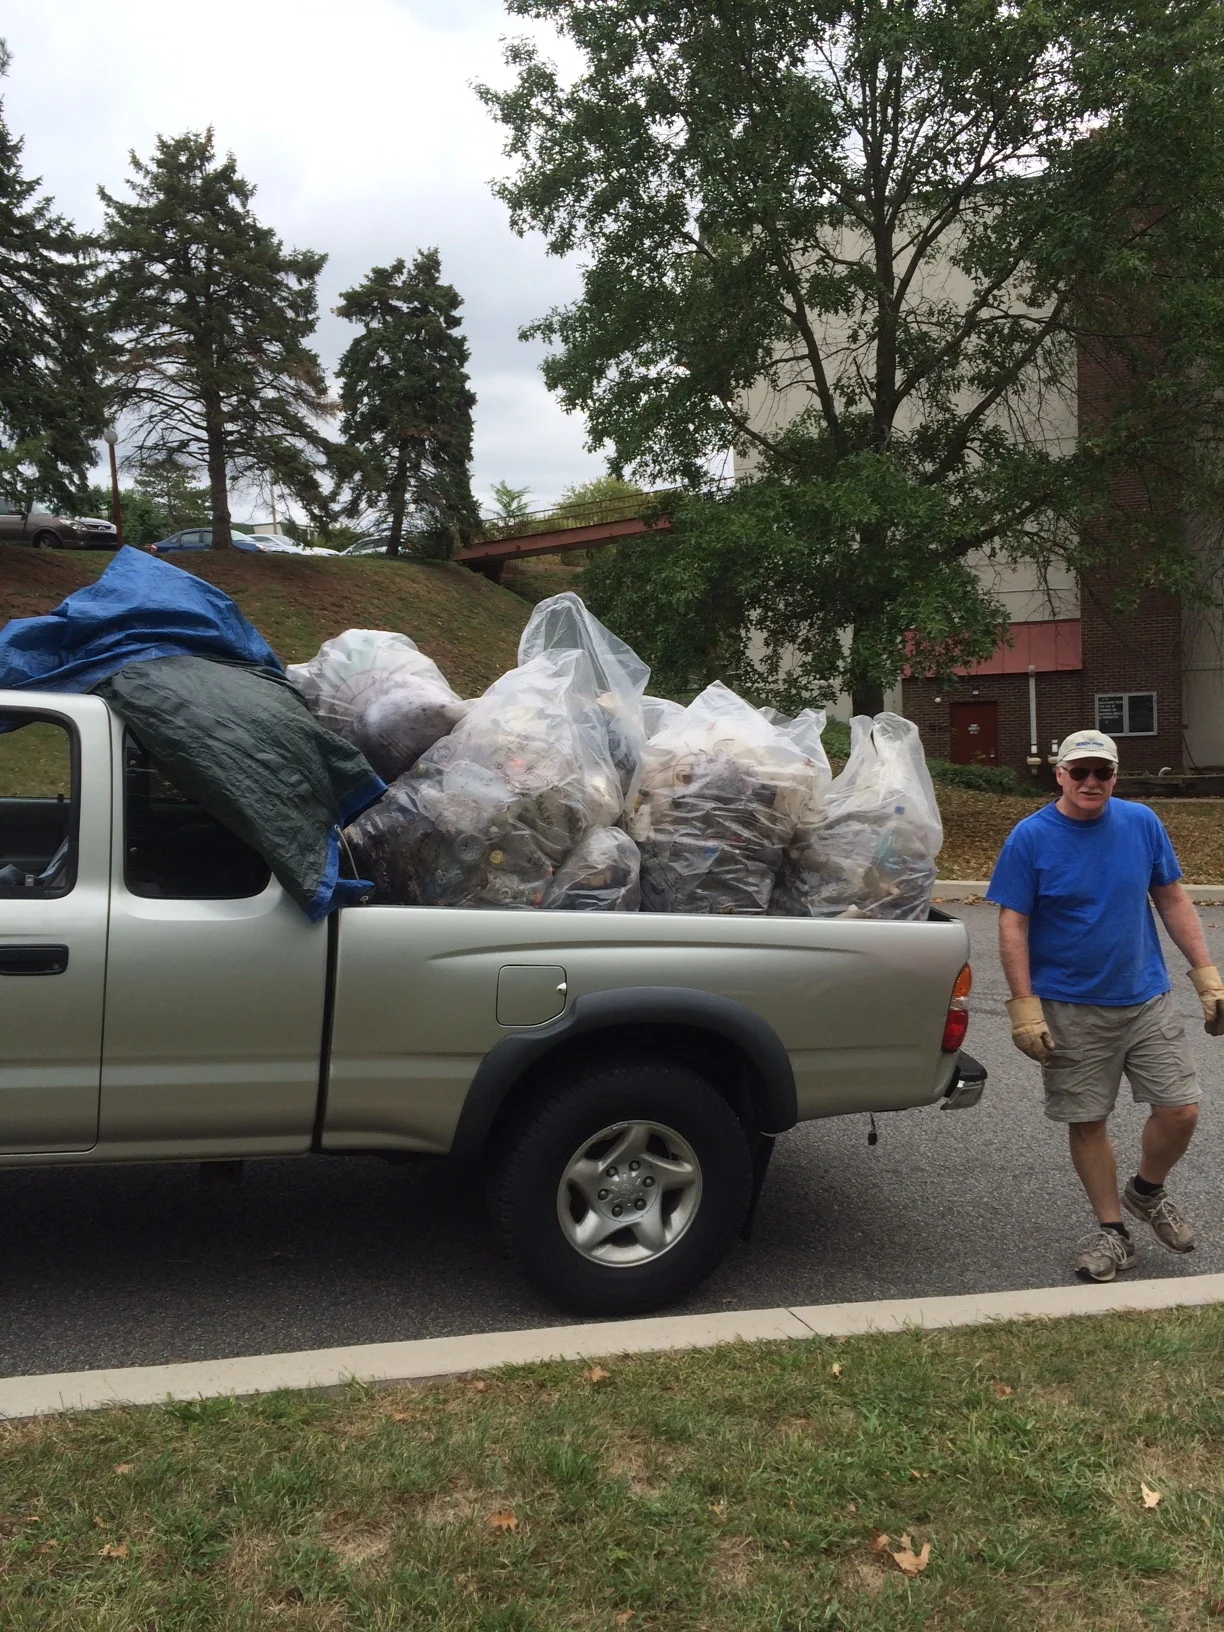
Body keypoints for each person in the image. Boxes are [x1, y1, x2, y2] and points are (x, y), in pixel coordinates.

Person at [987, 729, 1224, 1283]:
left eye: (1103, 773)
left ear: (1115, 777)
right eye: (1081, 772)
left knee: (1180, 1110)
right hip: (1070, 1005)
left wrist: (1207, 977)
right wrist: (1024, 1006)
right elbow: (1012, 921)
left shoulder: (1141, 823)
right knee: (1089, 1119)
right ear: (1060, 775)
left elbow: (1170, 896)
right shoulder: (1029, 838)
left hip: (1146, 995)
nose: (1091, 782)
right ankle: (1113, 1230)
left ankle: (1146, 1191)